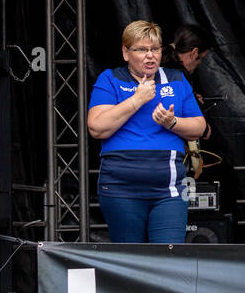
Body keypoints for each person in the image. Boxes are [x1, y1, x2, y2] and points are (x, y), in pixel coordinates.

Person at [86, 19, 207, 242]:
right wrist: (136, 100)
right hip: (120, 189)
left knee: (170, 259)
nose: (150, 56)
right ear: (126, 52)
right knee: (130, 261)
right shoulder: (111, 79)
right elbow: (96, 128)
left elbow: (199, 127)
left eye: (155, 49)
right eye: (141, 49)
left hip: (168, 191)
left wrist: (173, 122)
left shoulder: (176, 79)